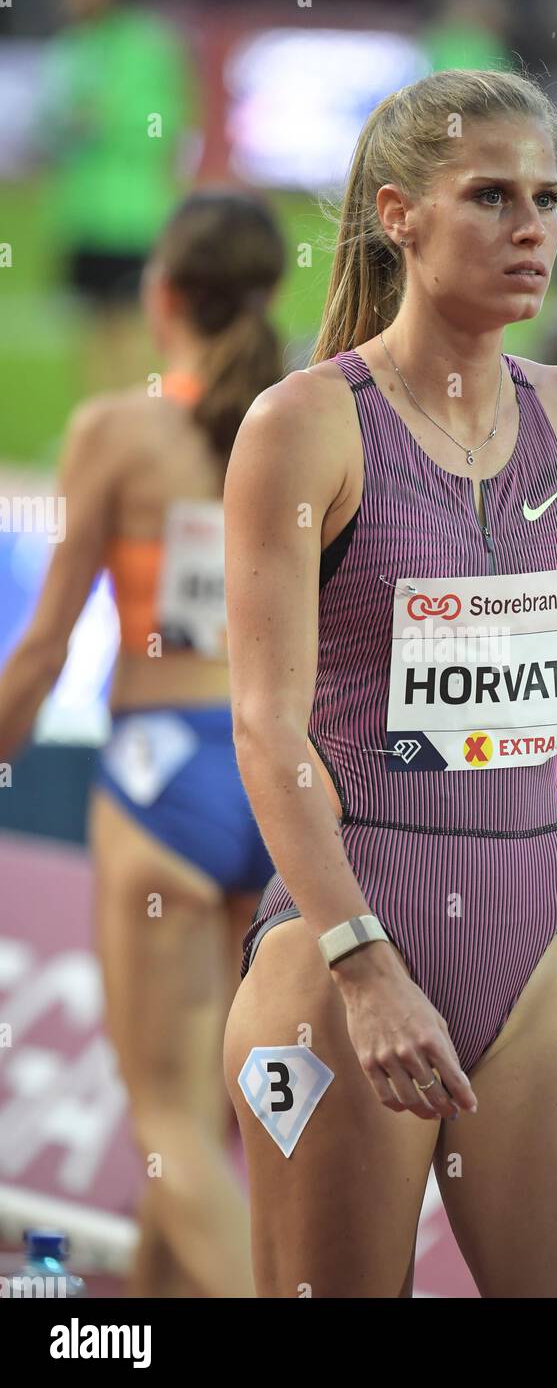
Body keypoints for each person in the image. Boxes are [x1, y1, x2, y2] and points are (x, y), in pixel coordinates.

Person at [223, 68, 557, 1299]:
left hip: (535, 948)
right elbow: (267, 732)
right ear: (398, 215)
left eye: (544, 196)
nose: (531, 227)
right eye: (489, 196)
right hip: (341, 956)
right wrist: (364, 966)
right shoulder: (304, 425)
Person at [0, 188, 285, 1297]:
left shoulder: (119, 430)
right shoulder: (312, 419)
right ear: (268, 297)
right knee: (210, 1122)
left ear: (161, 296)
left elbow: (42, 649)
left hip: (162, 772)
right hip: (282, 778)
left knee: (166, 1116)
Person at [39, 0, 195, 393]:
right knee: (91, 331)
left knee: (137, 332)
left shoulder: (148, 46)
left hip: (133, 217)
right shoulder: (71, 47)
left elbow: (163, 126)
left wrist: (100, 120)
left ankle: (144, 426)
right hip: (81, 215)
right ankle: (105, 422)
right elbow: (48, 122)